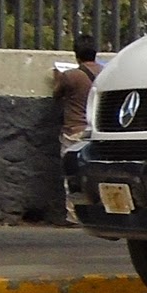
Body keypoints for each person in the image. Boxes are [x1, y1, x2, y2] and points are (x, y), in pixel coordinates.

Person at [52, 34, 101, 224]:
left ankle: (73, 216)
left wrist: (57, 77)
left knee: (71, 177)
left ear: (76, 54)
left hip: (73, 131)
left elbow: (57, 94)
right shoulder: (104, 72)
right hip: (94, 131)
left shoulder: (70, 76)